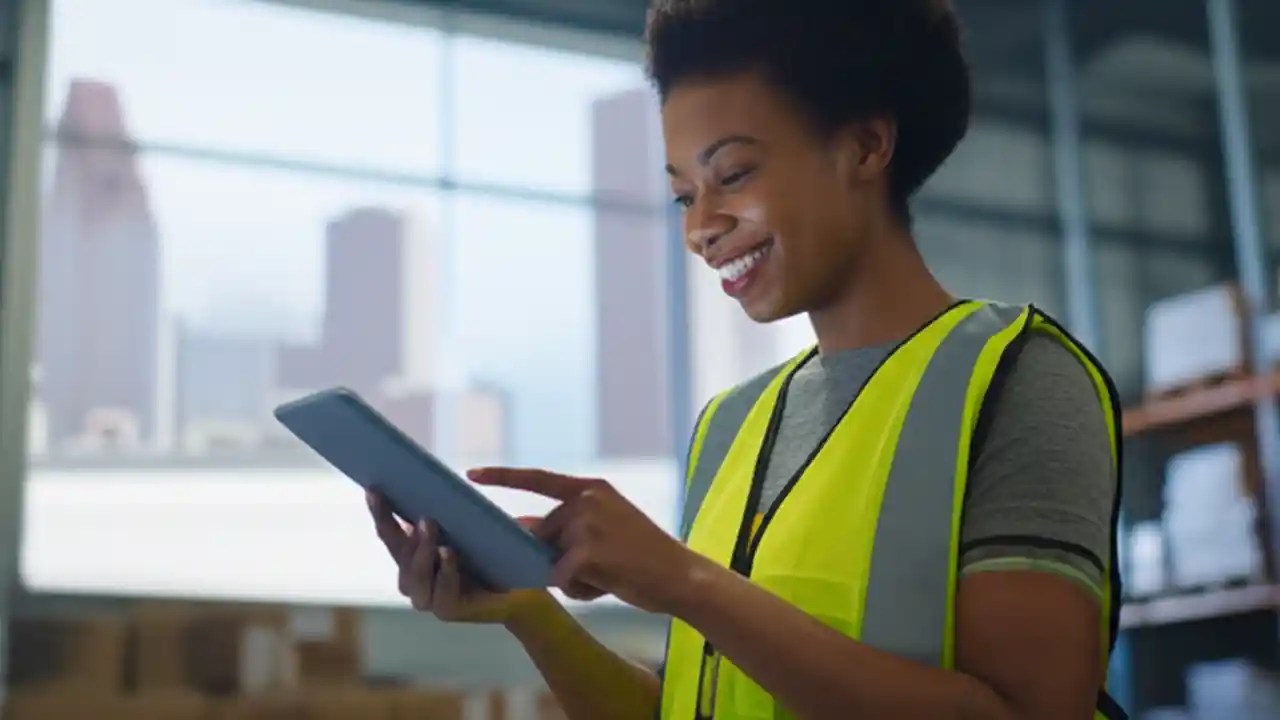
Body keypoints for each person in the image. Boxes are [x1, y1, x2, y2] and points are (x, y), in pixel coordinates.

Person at [367, 1, 1126, 718]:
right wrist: (530, 612)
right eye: (683, 196)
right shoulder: (730, 427)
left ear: (866, 146)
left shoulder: (1015, 378)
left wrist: (684, 580)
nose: (700, 227)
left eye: (732, 175)